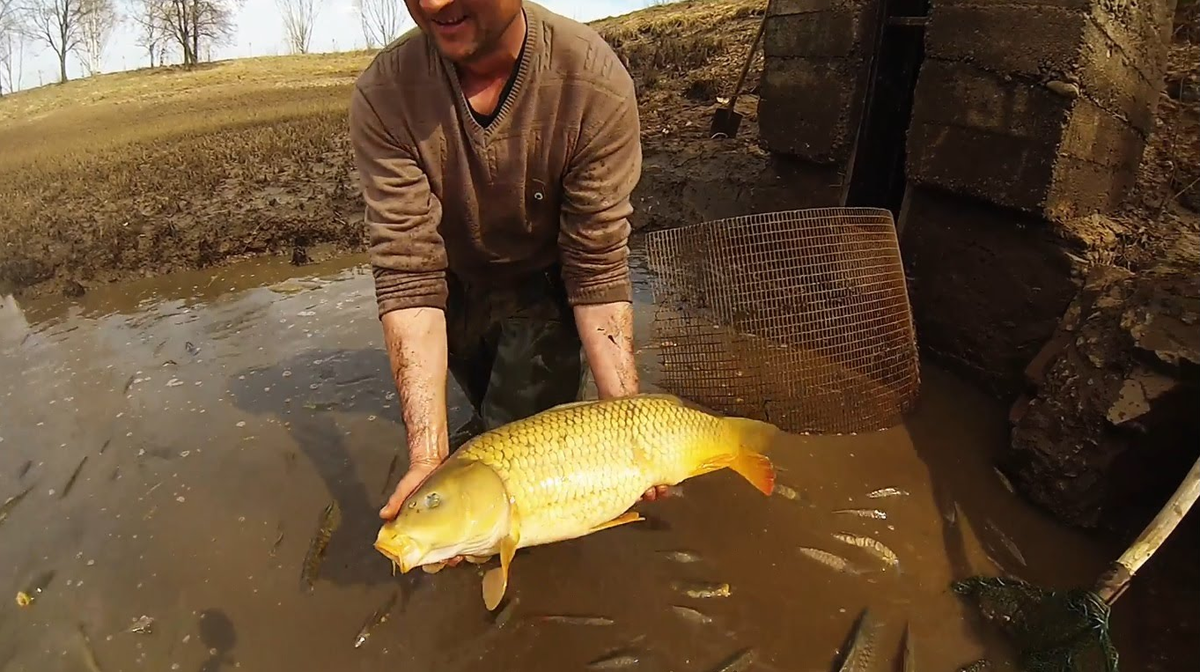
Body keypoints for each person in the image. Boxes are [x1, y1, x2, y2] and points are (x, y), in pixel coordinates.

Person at [348, 0, 670, 537]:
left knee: (520, 452)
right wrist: (428, 458)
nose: (430, 3)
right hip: (452, 286)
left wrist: (627, 419)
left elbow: (594, 266)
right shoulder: (385, 95)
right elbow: (409, 274)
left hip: (548, 283)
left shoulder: (593, 82)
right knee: (484, 428)